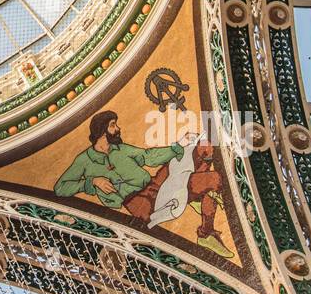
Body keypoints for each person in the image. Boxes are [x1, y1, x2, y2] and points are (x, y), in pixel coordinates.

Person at [54, 110, 230, 257]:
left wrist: (177, 146)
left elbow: (148, 157)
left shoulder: (120, 149)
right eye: (113, 125)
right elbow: (60, 188)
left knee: (205, 145)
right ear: (101, 131)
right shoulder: (84, 160)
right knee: (213, 179)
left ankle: (197, 197)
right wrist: (92, 182)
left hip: (156, 184)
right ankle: (205, 233)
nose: (118, 128)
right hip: (143, 204)